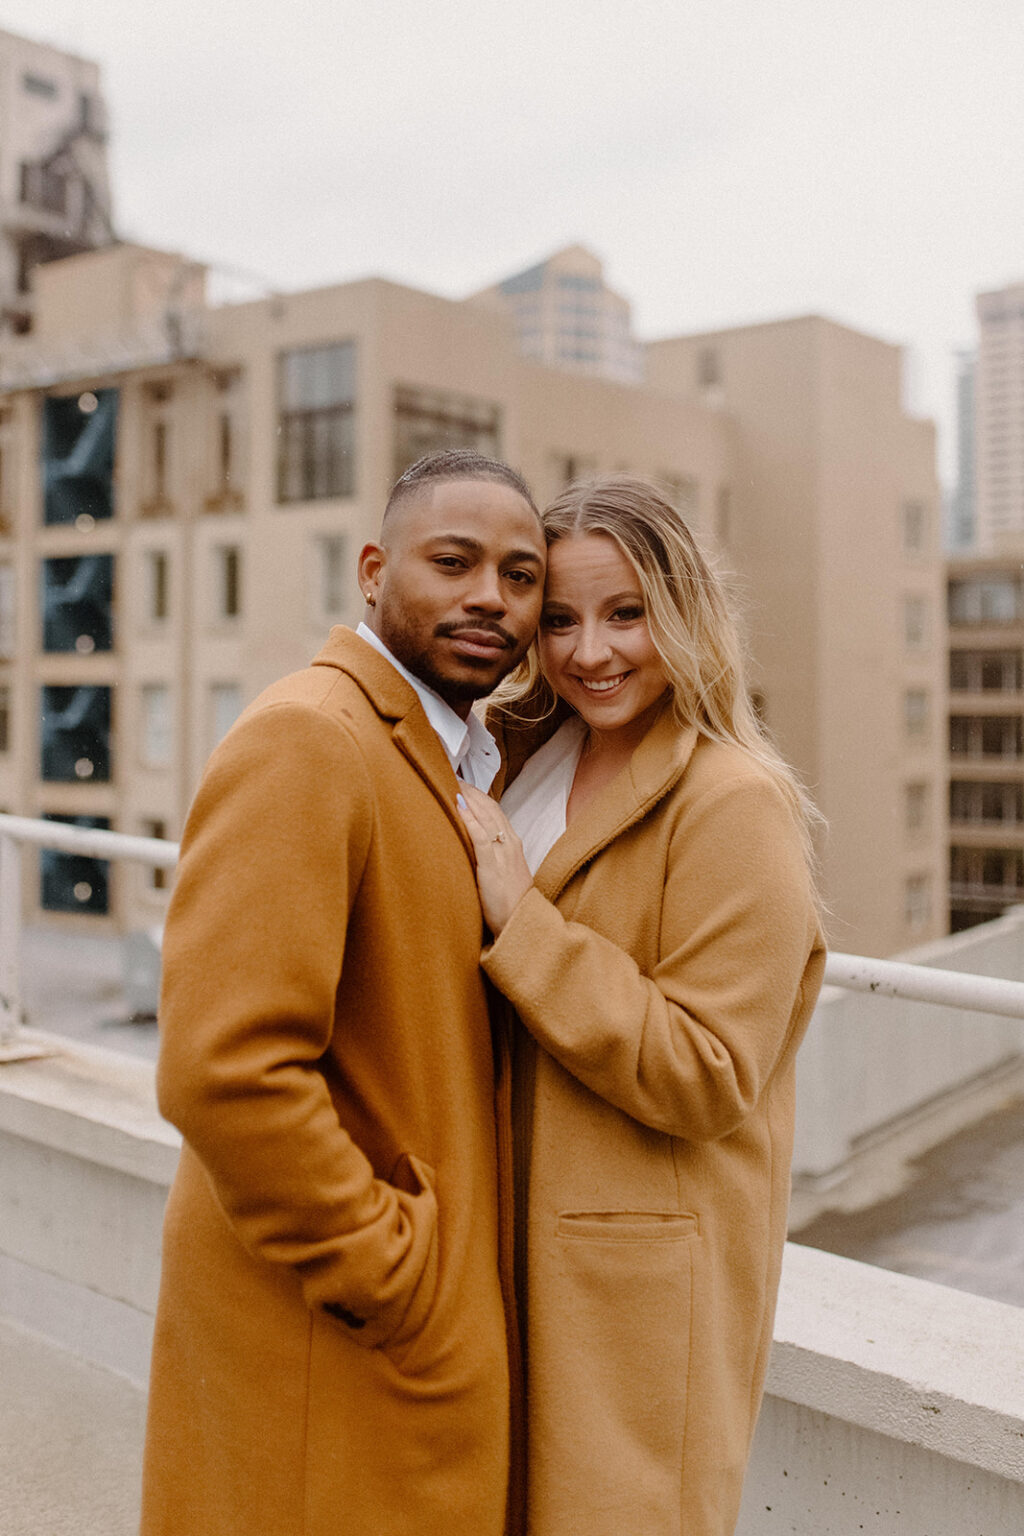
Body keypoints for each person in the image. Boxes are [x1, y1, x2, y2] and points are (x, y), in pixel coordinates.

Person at [140, 450, 546, 1536]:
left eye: (518, 577)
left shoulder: (449, 756)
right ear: (373, 570)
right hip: (336, 1332)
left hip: (390, 1334)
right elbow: (223, 1069)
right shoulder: (310, 739)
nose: (488, 599)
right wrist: (390, 1271)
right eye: (452, 562)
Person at [457, 475, 826, 1536]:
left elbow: (708, 1071)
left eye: (626, 614)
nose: (590, 653)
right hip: (505, 1237)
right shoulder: (523, 752)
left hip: (635, 1287)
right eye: (561, 620)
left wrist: (524, 924)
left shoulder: (733, 801)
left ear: (684, 610)